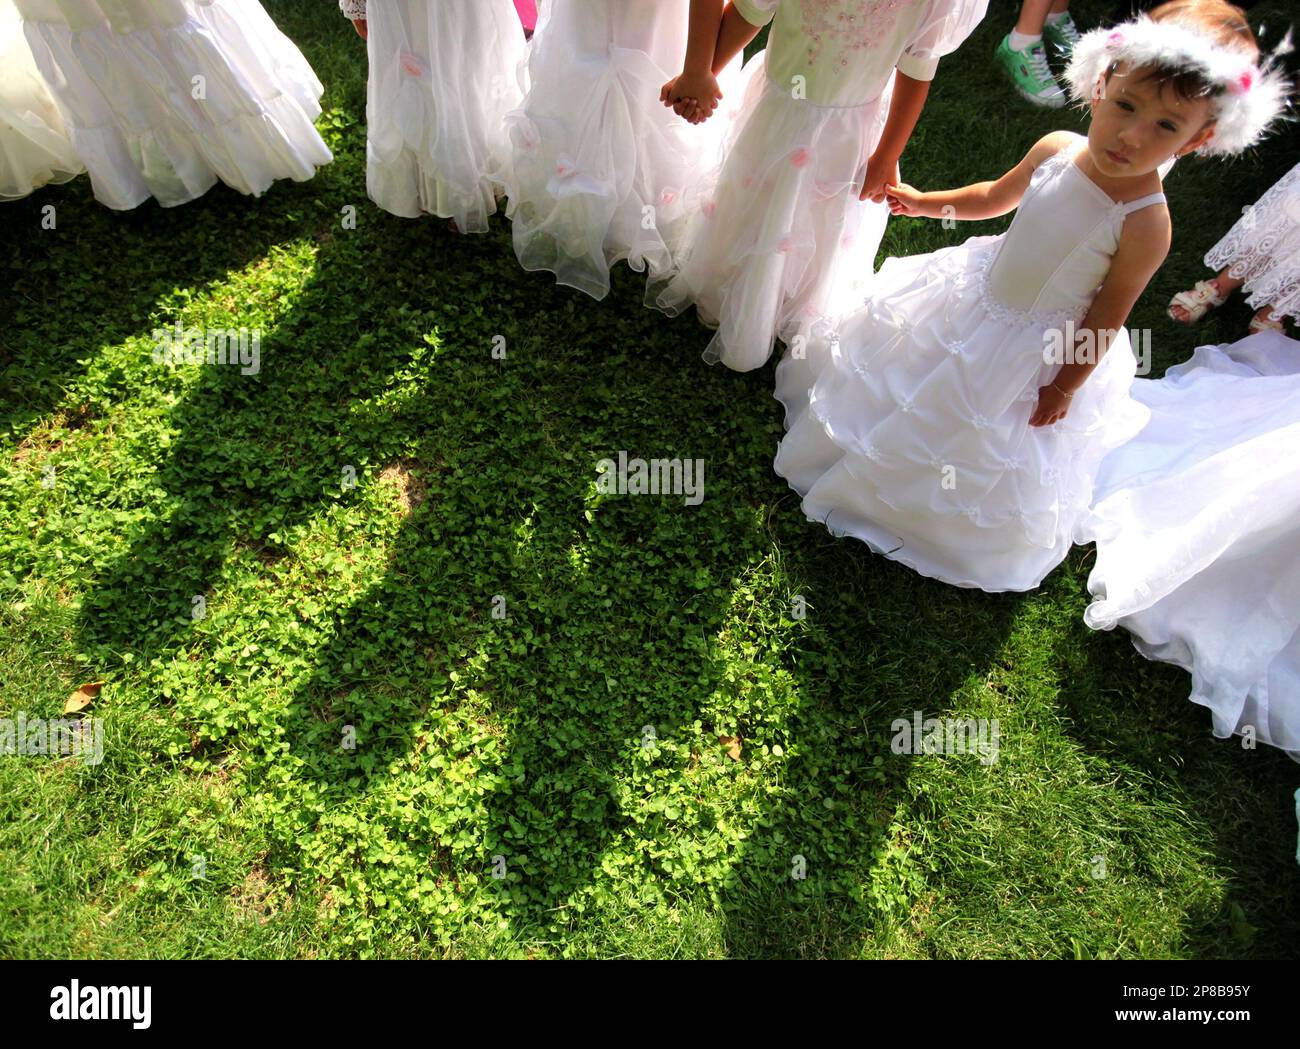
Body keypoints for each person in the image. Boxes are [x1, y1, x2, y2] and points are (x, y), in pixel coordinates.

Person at [771, 0, 1286, 592]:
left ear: (1197, 141)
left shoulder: (1145, 223)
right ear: (1100, 86)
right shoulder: (1057, 147)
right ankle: (858, 451)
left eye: (1166, 127)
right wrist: (927, 202)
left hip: (1036, 344)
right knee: (912, 376)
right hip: (976, 293)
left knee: (975, 427)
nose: (1132, 135)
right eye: (1125, 106)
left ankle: (927, 515)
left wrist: (1065, 383)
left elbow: (1105, 315)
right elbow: (994, 197)